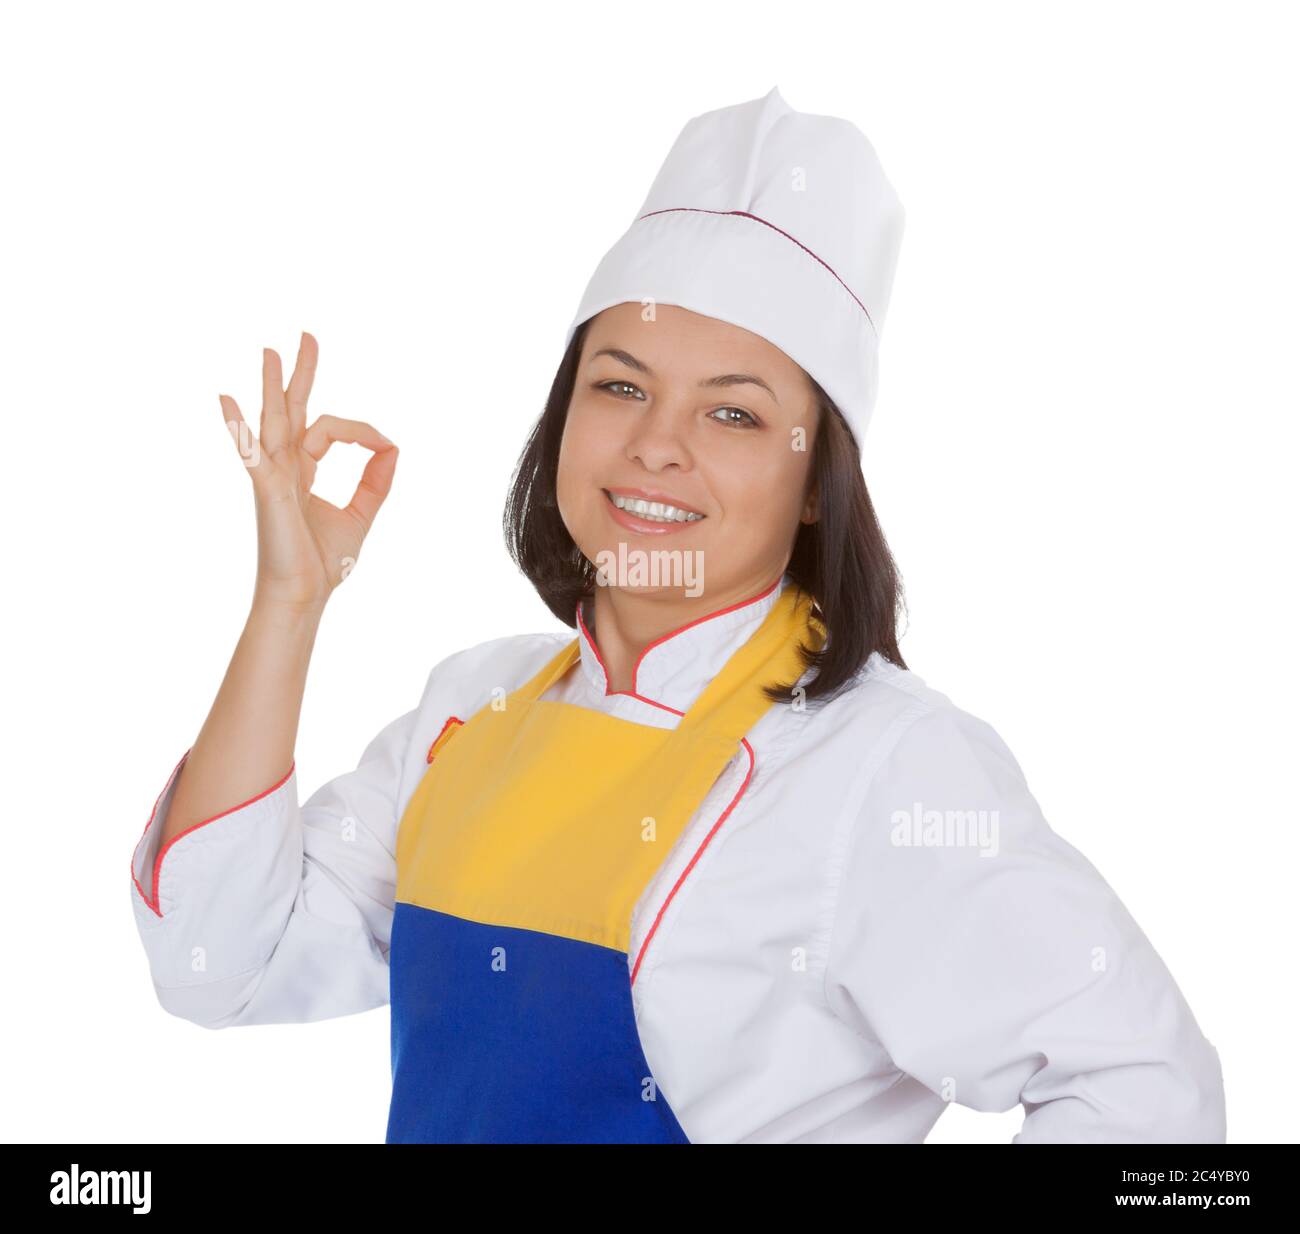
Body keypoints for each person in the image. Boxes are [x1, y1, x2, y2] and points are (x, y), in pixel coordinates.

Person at [128, 86, 1226, 1144]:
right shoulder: (471, 708)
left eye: (734, 413)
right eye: (619, 385)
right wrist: (290, 602)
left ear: (813, 485)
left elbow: (1144, 1090)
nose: (657, 442)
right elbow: (220, 962)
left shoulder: (884, 767)